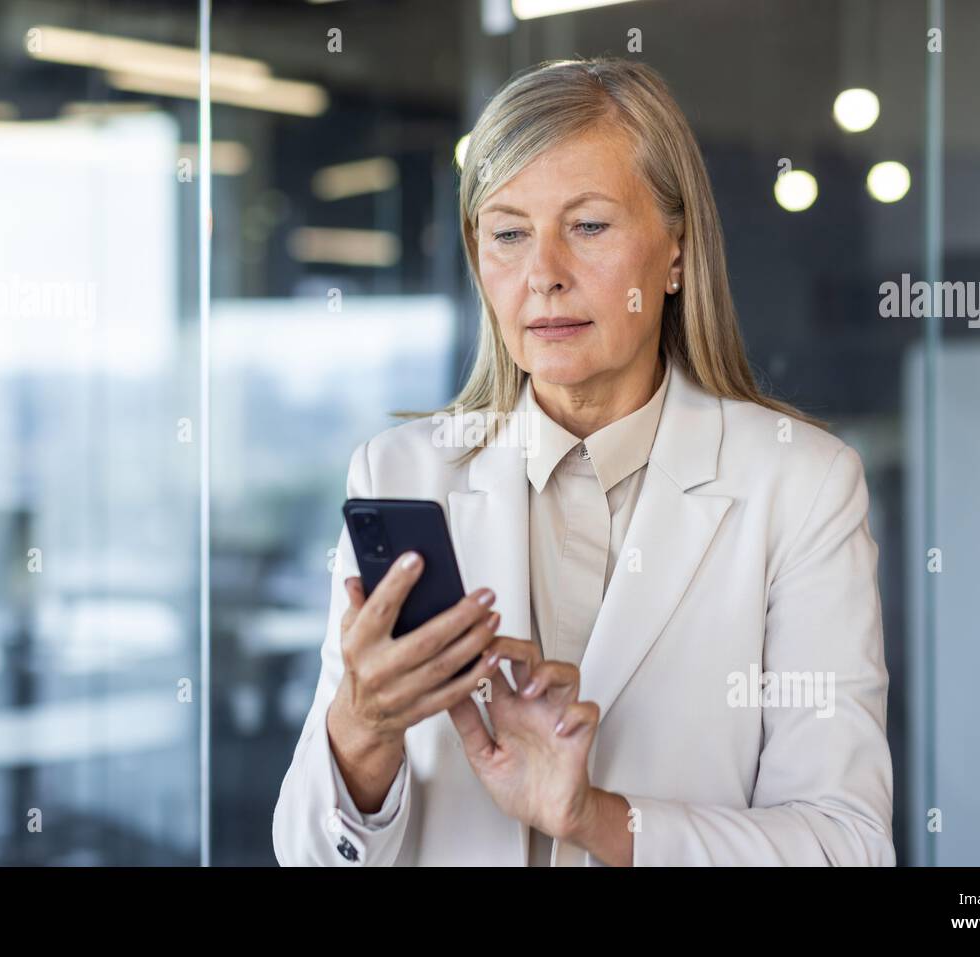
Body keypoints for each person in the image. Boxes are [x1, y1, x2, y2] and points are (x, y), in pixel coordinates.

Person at [272, 56, 894, 866]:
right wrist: (362, 731)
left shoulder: (800, 485)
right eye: (508, 233)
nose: (545, 276)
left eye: (589, 226)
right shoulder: (399, 476)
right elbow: (308, 855)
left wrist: (598, 818)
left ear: (676, 251)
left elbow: (847, 846)